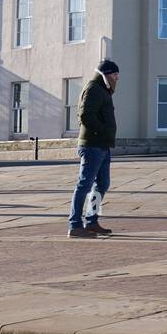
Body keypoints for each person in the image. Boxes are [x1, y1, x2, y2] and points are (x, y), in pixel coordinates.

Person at [68, 60, 118, 238]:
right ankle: (75, 225)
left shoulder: (103, 90)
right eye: (114, 75)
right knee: (84, 185)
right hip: (92, 146)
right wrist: (102, 130)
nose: (116, 78)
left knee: (103, 184)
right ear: (105, 74)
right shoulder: (94, 89)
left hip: (102, 145)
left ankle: (91, 220)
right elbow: (84, 115)